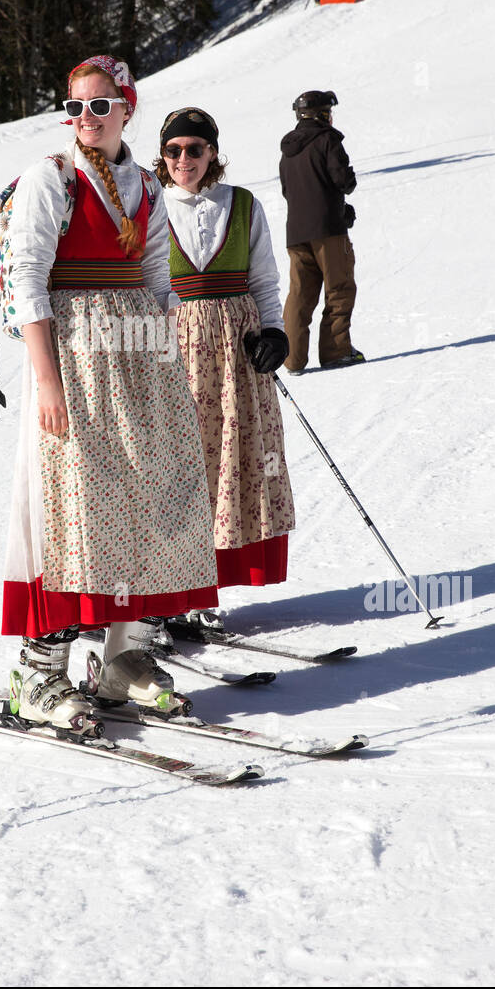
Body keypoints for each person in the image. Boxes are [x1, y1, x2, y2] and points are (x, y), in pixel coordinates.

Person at [0, 56, 218, 732]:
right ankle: (38, 674)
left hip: (137, 364)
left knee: (152, 499)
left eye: (100, 106)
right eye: (75, 107)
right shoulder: (52, 179)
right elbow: (27, 278)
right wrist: (45, 379)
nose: (85, 119)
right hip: (72, 361)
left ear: (127, 107)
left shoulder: (147, 187)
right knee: (73, 512)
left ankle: (126, 658)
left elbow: (156, 278)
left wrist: (160, 361)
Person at [155, 107, 295, 638]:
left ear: (212, 152)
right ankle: (171, 590)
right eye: (174, 150)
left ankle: (203, 591)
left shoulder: (241, 204)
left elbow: (263, 277)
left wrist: (275, 332)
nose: (184, 159)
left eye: (195, 148)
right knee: (177, 464)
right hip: (174, 346)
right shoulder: (149, 205)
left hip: (236, 347)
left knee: (229, 461)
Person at [279, 90, 363, 374]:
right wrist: (337, 210)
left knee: (300, 296)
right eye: (329, 111)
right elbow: (344, 181)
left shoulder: (288, 149)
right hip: (329, 232)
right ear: (322, 114)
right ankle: (336, 352)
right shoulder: (328, 140)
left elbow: (288, 191)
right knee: (339, 289)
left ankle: (291, 359)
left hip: (296, 233)